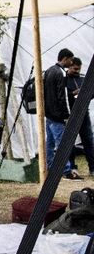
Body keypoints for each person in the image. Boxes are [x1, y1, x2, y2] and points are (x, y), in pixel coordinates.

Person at [44, 48, 79, 179]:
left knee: (50, 143)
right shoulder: (61, 73)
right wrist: (67, 115)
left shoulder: (48, 71)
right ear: (65, 58)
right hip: (58, 115)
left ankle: (50, 167)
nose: (71, 62)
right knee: (62, 144)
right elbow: (62, 96)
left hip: (49, 114)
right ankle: (66, 171)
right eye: (70, 59)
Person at [66, 56, 94, 177]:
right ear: (70, 67)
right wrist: (73, 93)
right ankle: (72, 167)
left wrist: (86, 93)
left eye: (78, 69)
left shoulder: (83, 79)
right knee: (69, 142)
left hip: (83, 114)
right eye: (74, 69)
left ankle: (92, 167)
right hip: (70, 114)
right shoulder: (64, 79)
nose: (77, 71)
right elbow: (62, 95)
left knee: (88, 141)